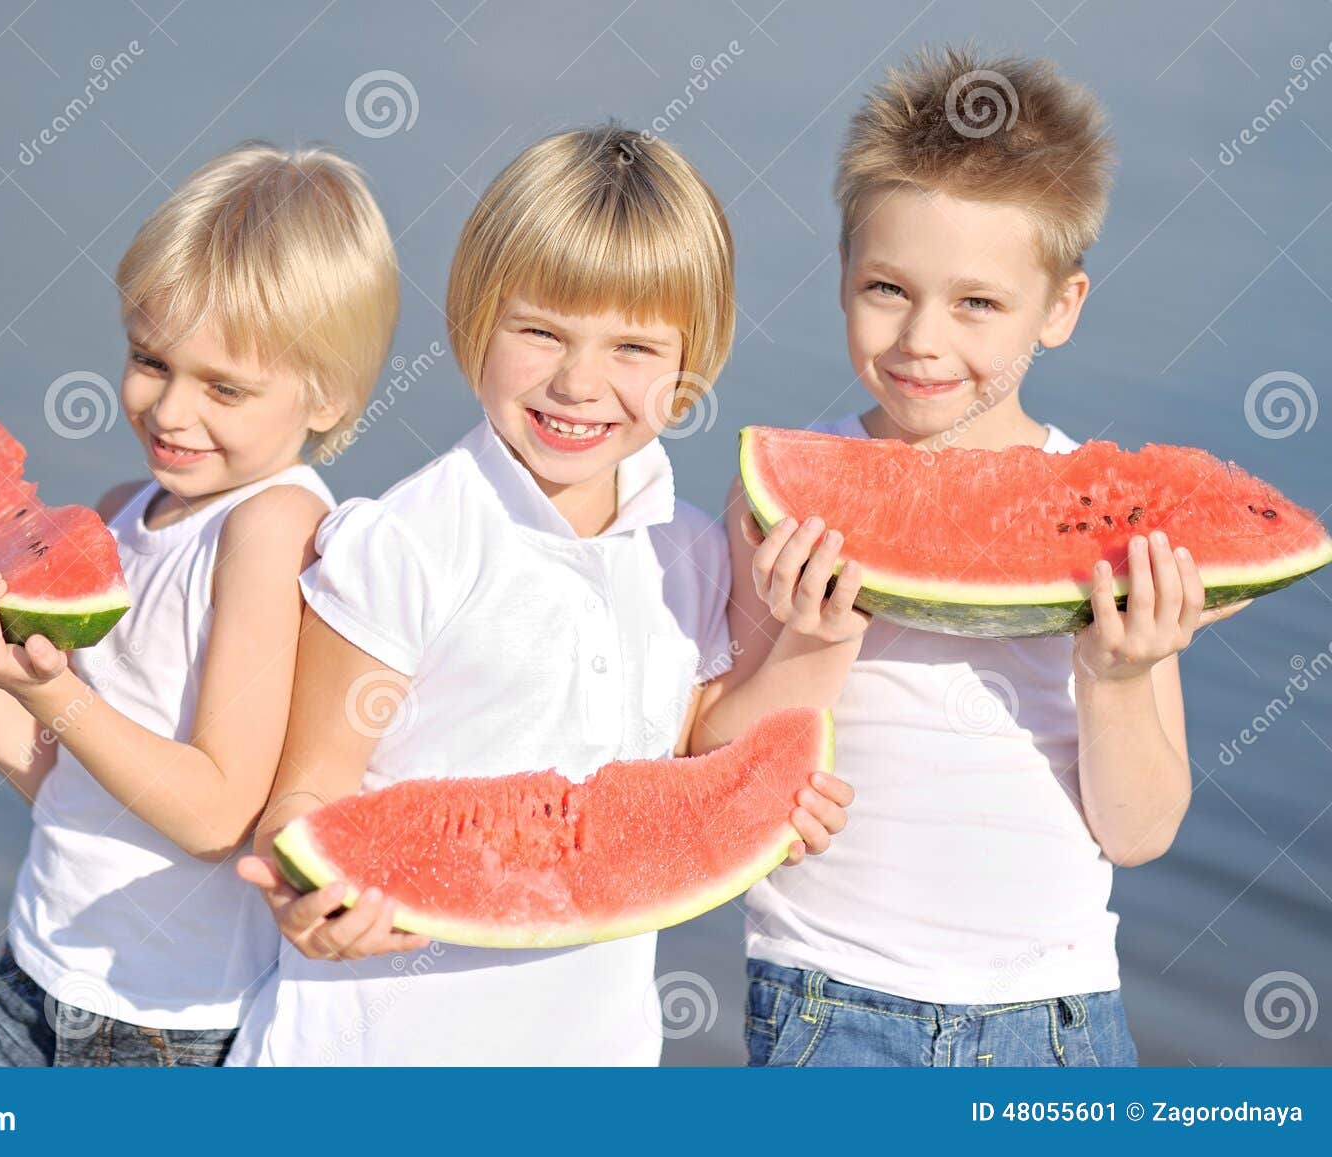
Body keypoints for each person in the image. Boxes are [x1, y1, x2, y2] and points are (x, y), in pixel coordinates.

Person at [227, 124, 853, 1066]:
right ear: (477, 321)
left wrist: (769, 798)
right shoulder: (407, 543)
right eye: (540, 331)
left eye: (634, 347)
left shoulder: (683, 549)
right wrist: (305, 900)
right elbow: (308, 791)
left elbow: (694, 753)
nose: (579, 381)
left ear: (692, 372)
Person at [697, 48, 1250, 1067]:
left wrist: (1117, 671)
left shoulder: (1109, 524)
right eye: (886, 288)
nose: (920, 338)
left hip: (1060, 1014)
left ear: (1061, 306)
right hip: (829, 1002)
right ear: (841, 275)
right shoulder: (779, 497)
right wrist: (810, 645)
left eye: (976, 304)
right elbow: (713, 762)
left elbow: (1136, 830)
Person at [0, 142, 399, 1065]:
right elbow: (49, 769)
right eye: (151, 360)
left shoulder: (272, 527)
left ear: (328, 397)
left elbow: (218, 814)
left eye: (225, 386)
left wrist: (57, 693)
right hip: (33, 977)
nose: (171, 410)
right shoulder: (116, 515)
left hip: (161, 1030)